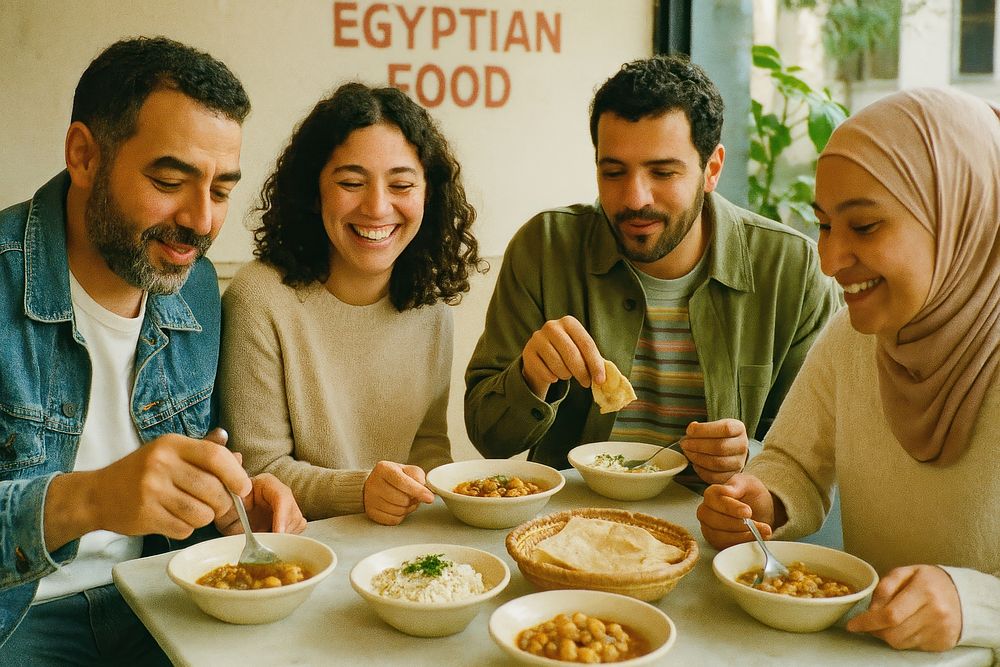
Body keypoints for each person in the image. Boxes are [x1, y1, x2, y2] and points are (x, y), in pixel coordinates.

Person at [0, 37, 307, 663]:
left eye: (221, 191)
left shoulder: (191, 283)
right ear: (85, 155)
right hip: (20, 619)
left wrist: (228, 500)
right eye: (170, 180)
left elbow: (185, 461)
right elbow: (113, 490)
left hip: (160, 596)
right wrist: (91, 498)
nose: (199, 220)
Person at [697, 88, 1000, 654]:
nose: (830, 260)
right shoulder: (853, 337)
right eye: (825, 225)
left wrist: (975, 605)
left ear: (962, 215)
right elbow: (794, 465)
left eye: (863, 227)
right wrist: (761, 502)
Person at [464, 55, 840, 485]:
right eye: (613, 172)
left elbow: (814, 450)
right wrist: (531, 377)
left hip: (719, 530)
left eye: (662, 172)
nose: (634, 198)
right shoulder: (545, 248)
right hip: (567, 527)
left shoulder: (790, 268)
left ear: (711, 169)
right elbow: (488, 438)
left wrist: (749, 455)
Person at [220, 82, 482, 526]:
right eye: (351, 182)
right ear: (314, 189)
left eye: (401, 184)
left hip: (404, 547)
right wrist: (362, 491)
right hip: (305, 553)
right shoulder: (259, 298)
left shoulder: (430, 306)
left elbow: (429, 444)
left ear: (428, 194)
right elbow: (258, 471)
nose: (378, 207)